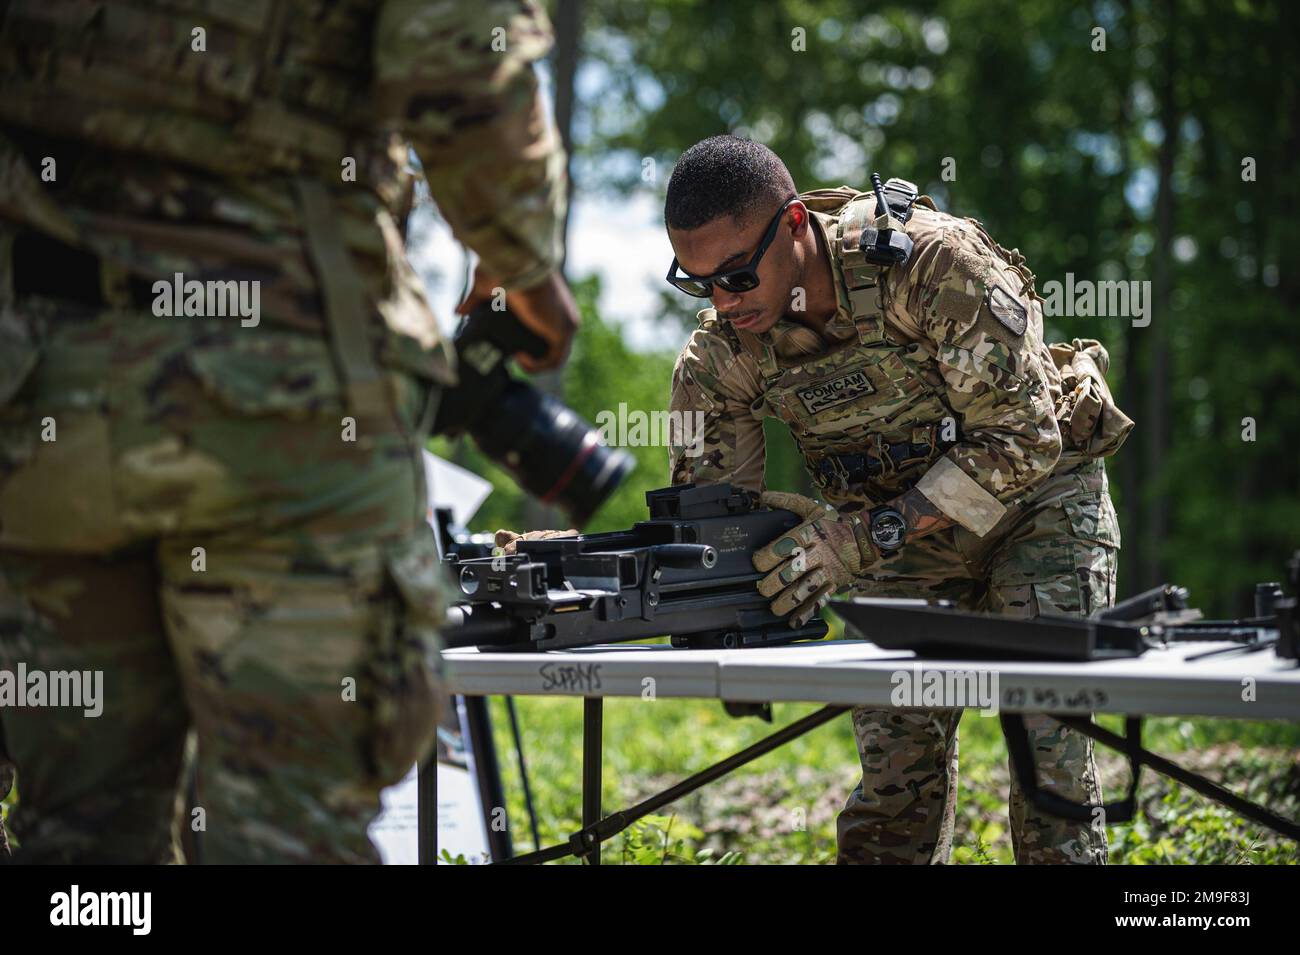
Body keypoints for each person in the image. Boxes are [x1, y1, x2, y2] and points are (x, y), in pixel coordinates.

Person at [0, 0, 578, 863]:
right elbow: (464, 65)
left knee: (78, 838)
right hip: (280, 395)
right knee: (288, 831)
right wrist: (526, 268)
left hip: (43, 391)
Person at [664, 135, 1133, 864]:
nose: (724, 303)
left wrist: (860, 538)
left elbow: (1025, 440)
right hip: (900, 538)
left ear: (794, 226)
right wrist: (726, 613)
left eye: (736, 275)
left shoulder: (930, 265)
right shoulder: (721, 354)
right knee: (894, 784)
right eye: (698, 284)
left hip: (1037, 506)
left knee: (1048, 759)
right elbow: (712, 516)